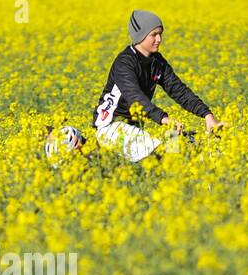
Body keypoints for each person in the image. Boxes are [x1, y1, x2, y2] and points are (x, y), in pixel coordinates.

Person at [92, 10, 226, 162]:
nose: (159, 39)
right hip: (111, 127)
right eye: (154, 35)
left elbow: (179, 90)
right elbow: (135, 97)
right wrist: (163, 118)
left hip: (133, 129)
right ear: (140, 35)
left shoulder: (157, 62)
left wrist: (207, 115)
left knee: (181, 145)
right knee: (163, 153)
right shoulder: (124, 62)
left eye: (160, 34)